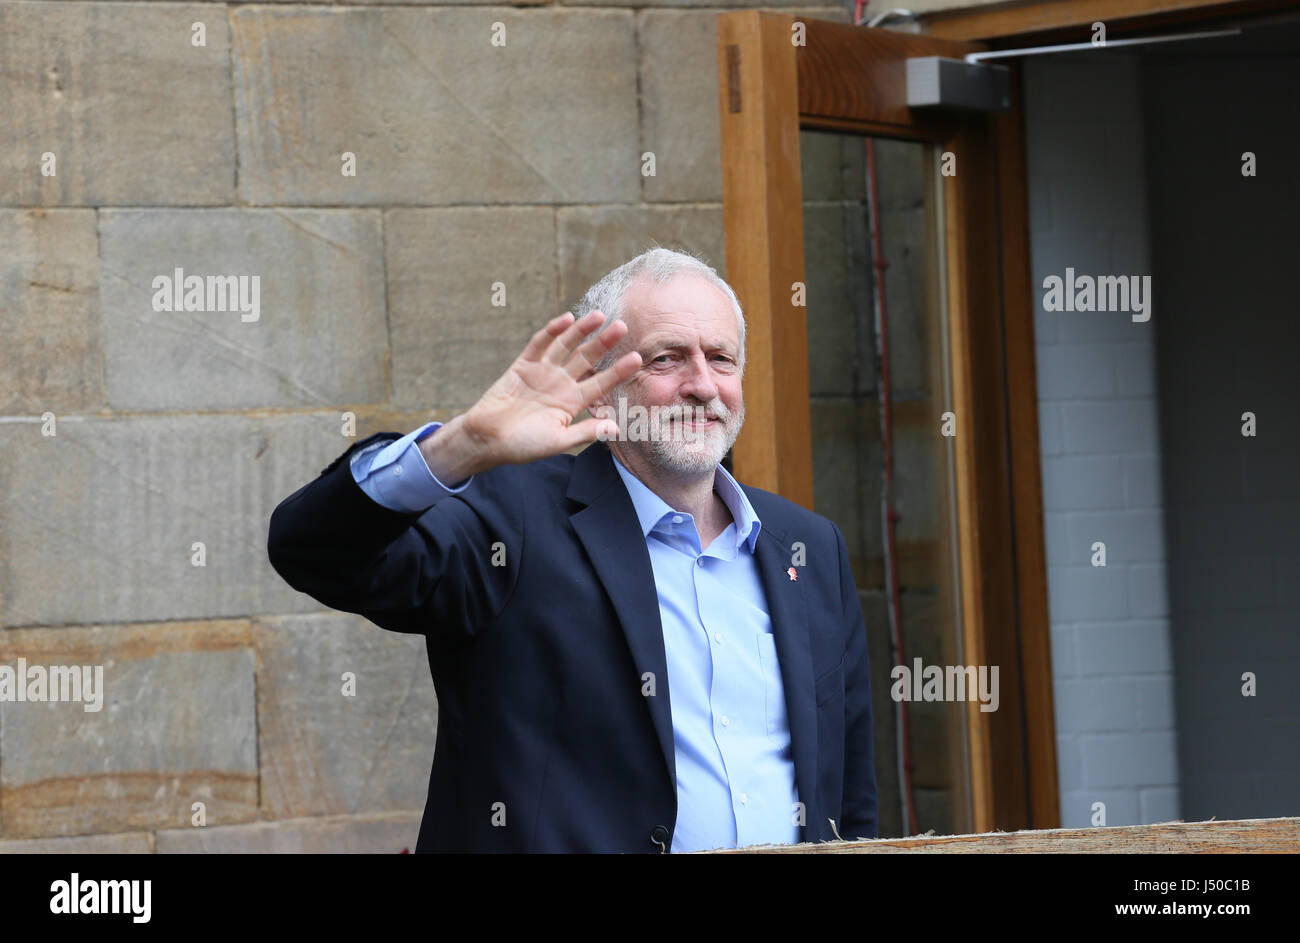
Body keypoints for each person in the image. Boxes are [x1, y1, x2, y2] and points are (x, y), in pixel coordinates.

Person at [267, 248, 877, 853]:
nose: (702, 385)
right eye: (667, 359)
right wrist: (460, 447)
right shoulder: (512, 519)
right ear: (599, 388)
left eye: (722, 359)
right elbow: (315, 552)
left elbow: (846, 796)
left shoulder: (809, 546)